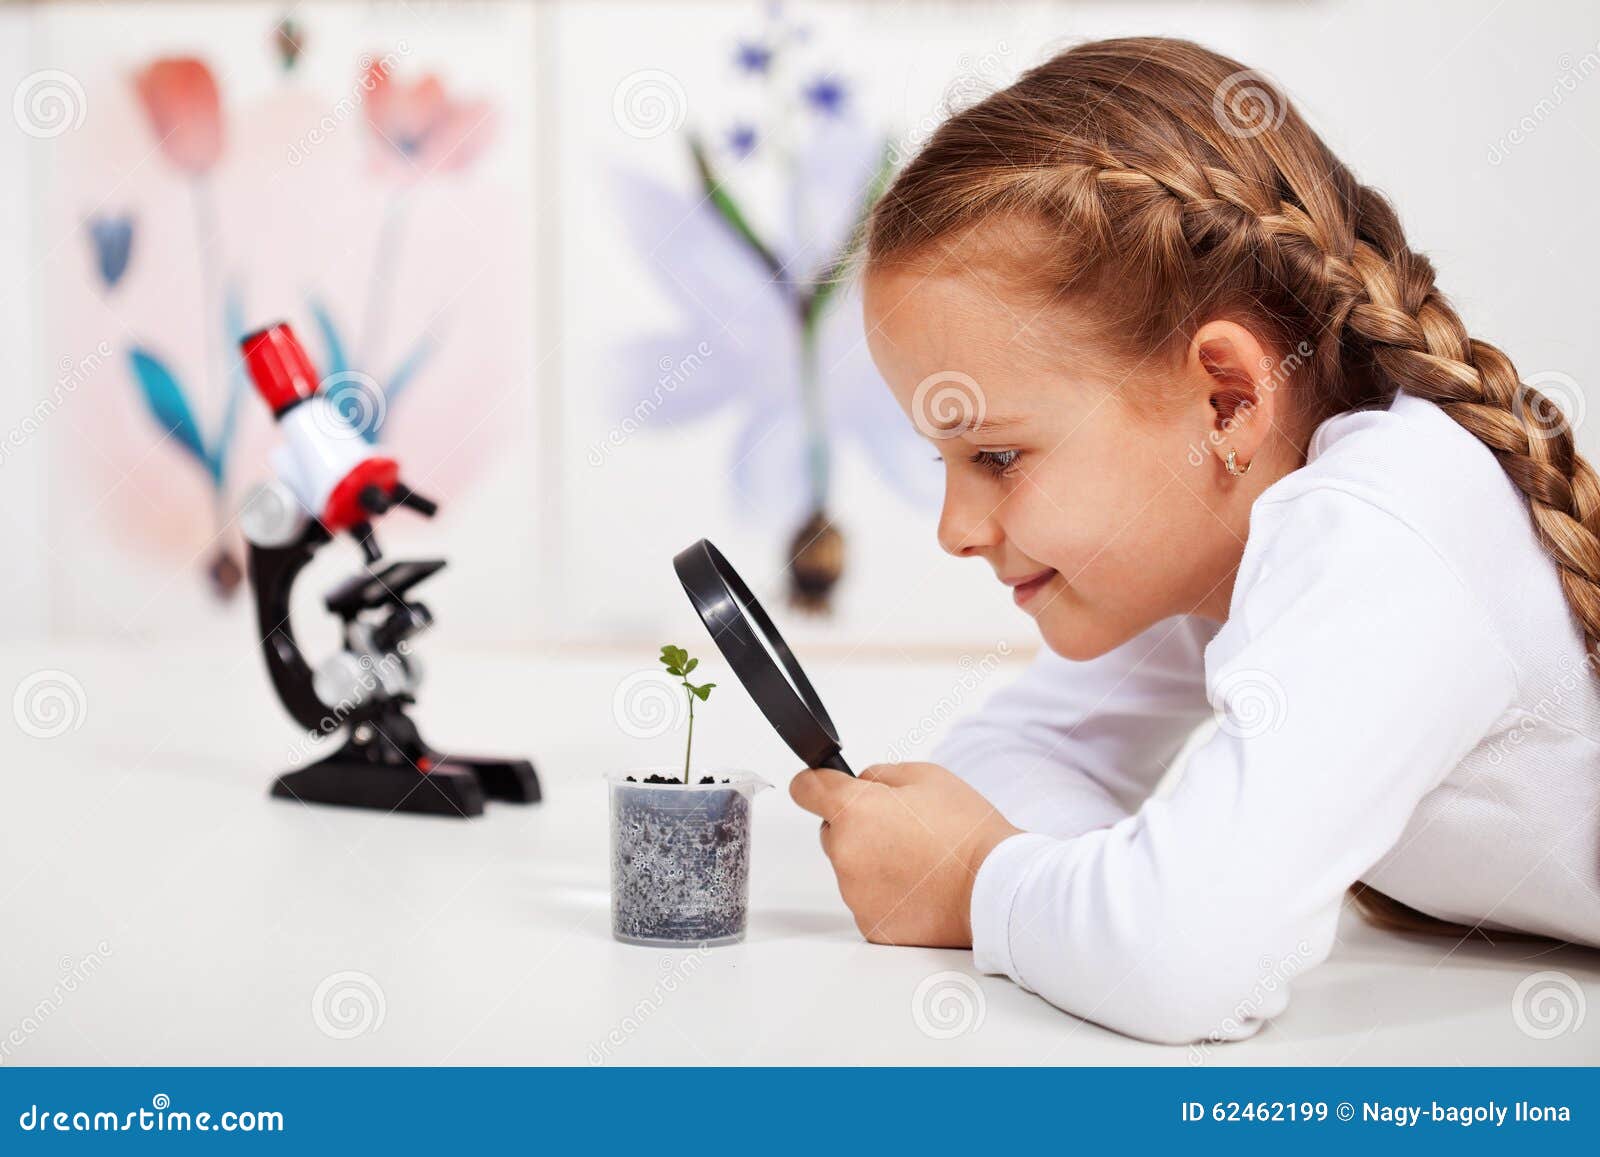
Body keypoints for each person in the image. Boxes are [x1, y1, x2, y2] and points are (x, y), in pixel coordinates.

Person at [789, 36, 1600, 1045]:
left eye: (995, 454)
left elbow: (1189, 960)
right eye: (941, 461)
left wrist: (978, 880)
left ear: (1227, 397)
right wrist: (1095, 892)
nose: (954, 530)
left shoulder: (1381, 526)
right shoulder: (1204, 536)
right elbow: (1008, 759)